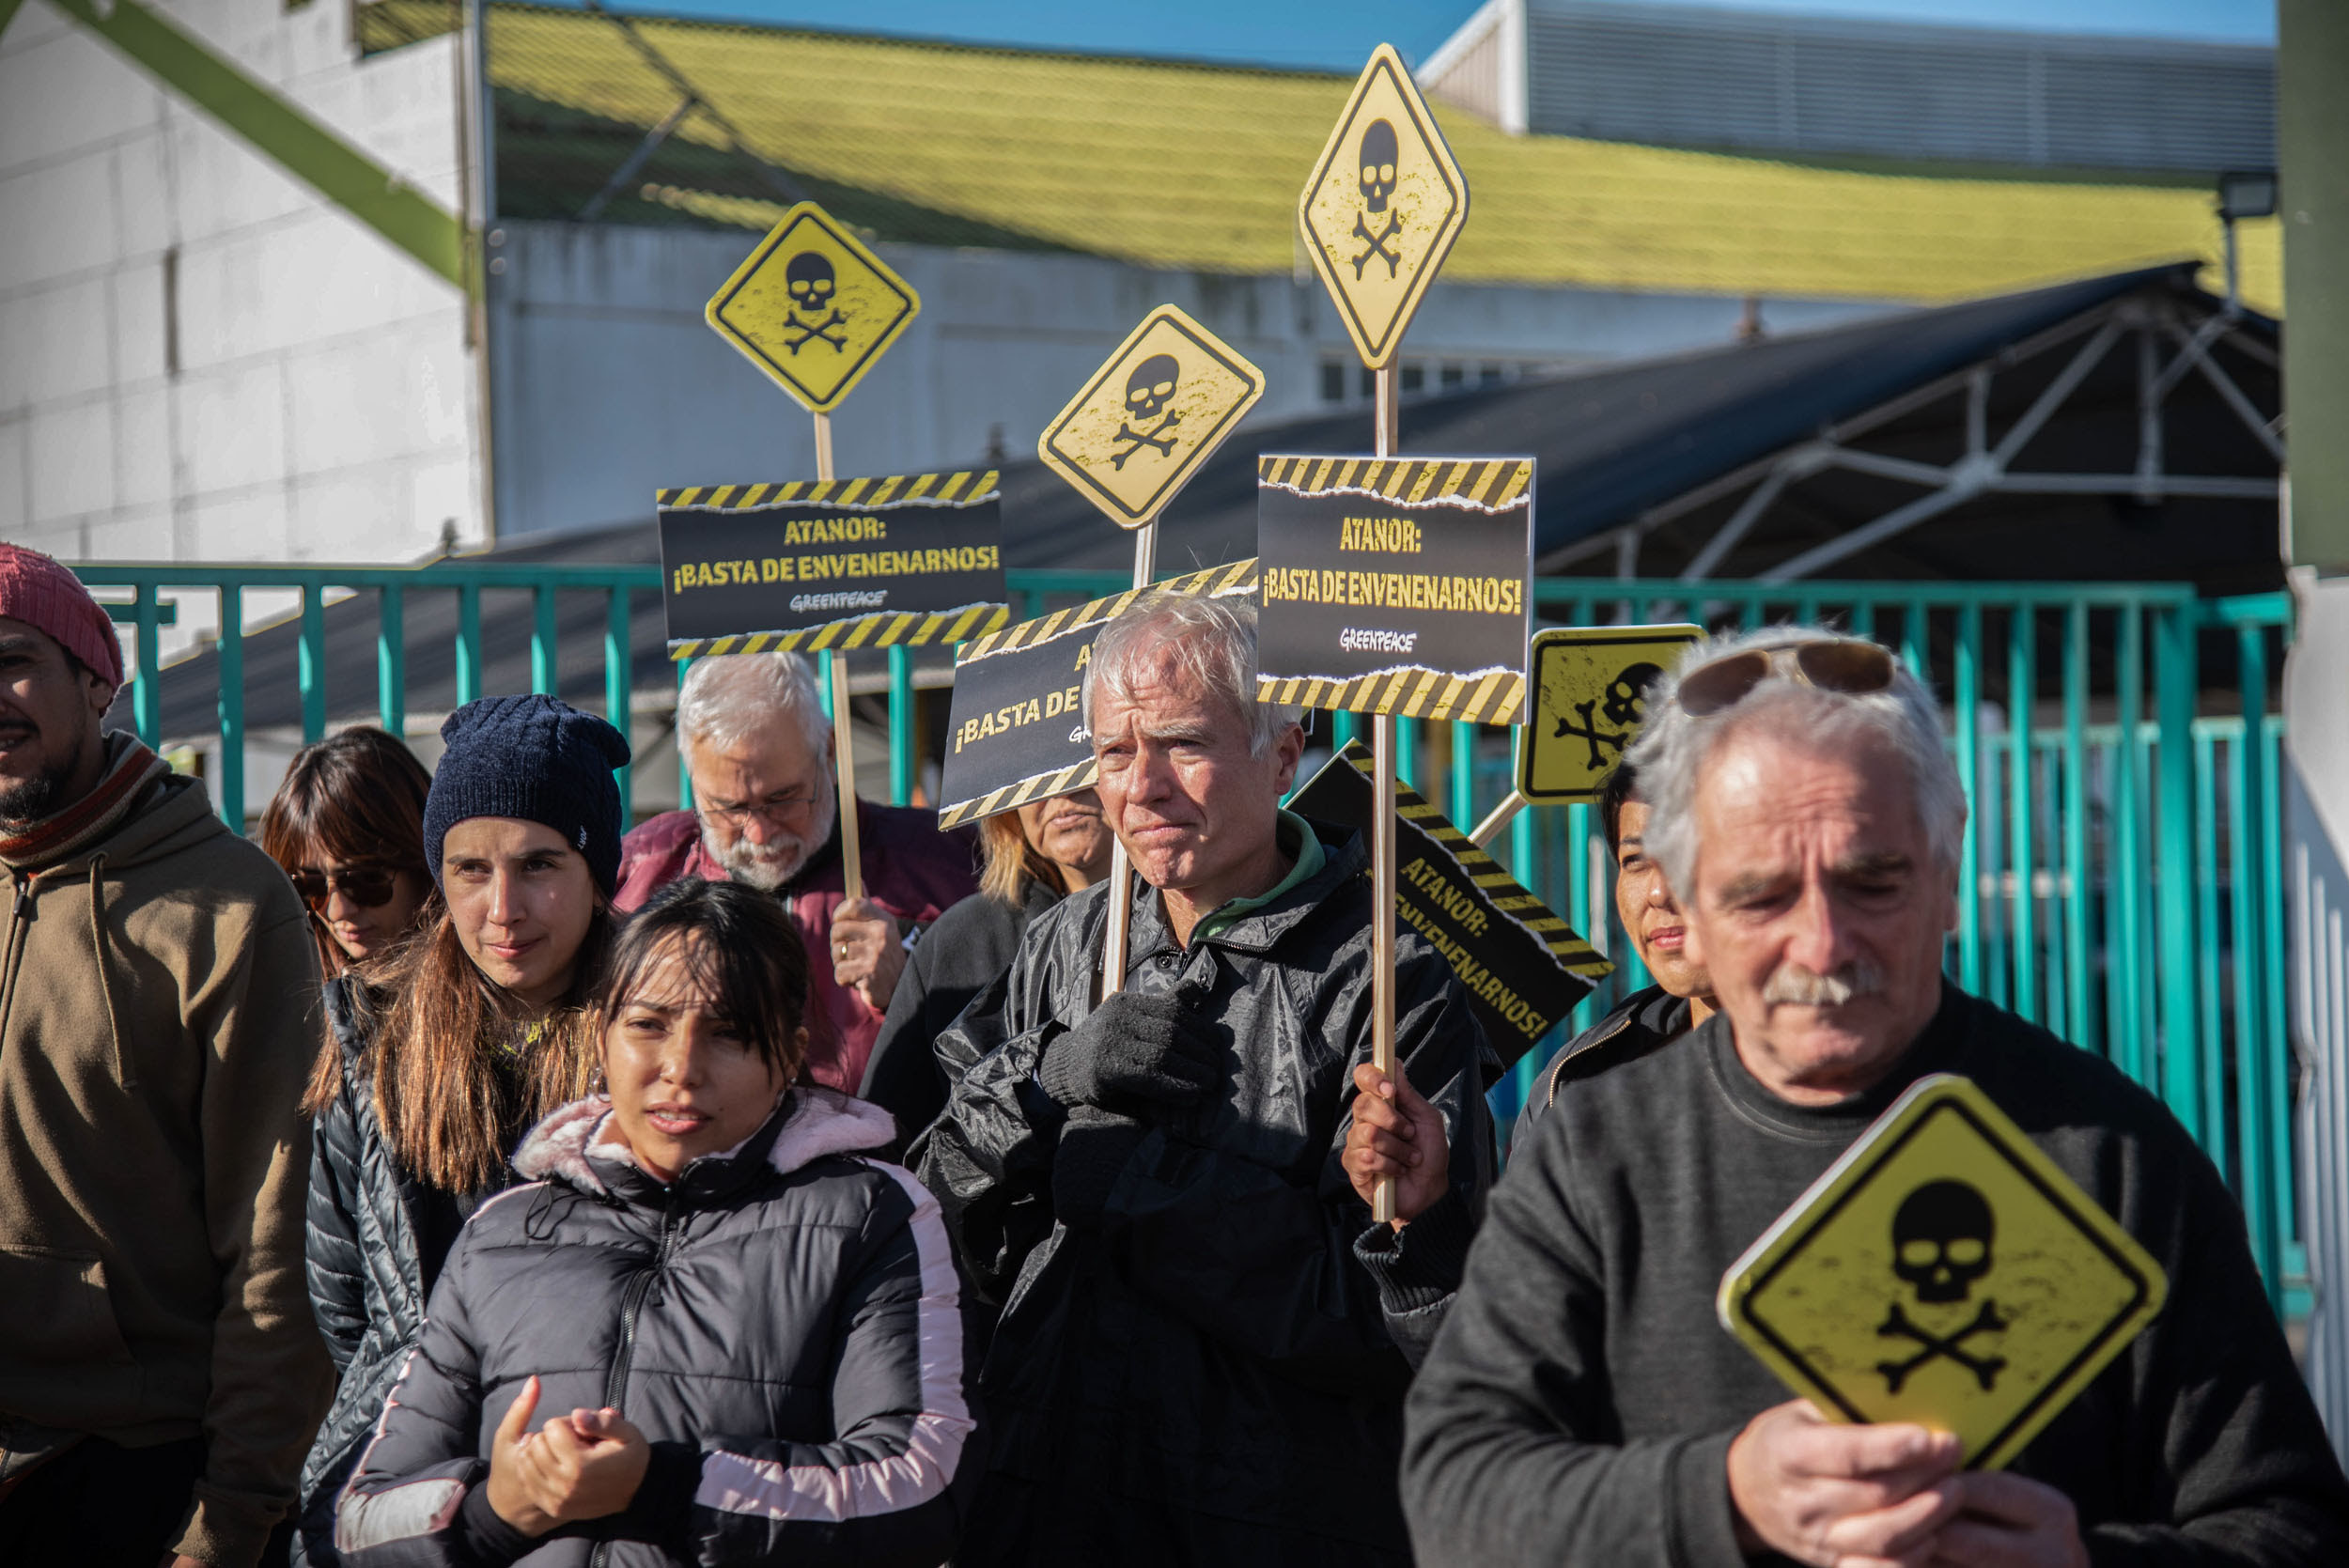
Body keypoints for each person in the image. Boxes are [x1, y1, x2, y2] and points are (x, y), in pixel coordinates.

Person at [1400, 627, 2349, 1566]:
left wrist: (2082, 1564)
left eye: (1871, 882)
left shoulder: (2115, 1159)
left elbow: (2289, 1526)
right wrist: (1724, 1496)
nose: (1821, 942)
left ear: (1948, 868)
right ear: (1688, 900)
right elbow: (1457, 1495)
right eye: (1761, 895)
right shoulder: (1593, 1150)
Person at [916, 591, 1495, 1567]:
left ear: (1281, 754)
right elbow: (936, 1210)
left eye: (1182, 743)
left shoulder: (1386, 981)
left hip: (1266, 1520)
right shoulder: (1065, 943)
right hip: (1045, 1500)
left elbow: (1399, 1321)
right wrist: (1047, 1078)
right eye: (1113, 752)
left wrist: (1144, 1188)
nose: (1141, 787)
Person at [334, 877, 982, 1566]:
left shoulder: (873, 1216)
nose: (681, 1068)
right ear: (601, 1036)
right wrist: (500, 1508)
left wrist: (667, 1485)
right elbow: (360, 1523)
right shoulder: (503, 1232)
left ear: (790, 1055)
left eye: (728, 1033)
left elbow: (923, 1487)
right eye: (647, 1024)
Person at [0, 544, 332, 1567]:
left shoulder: (233, 909)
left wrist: (231, 1517)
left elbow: (277, 1245)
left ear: (98, 682)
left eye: (14, 661)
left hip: (132, 1470)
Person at [298, 695, 630, 1564]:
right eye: (470, 868)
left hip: (602, 1462)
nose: (502, 907)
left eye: (540, 864)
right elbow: (345, 1299)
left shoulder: (659, 1031)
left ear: (600, 872)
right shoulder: (374, 1037)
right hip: (410, 1464)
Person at [1342, 755, 1721, 1365]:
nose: (1658, 890)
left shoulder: (1871, 1081)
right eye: (1635, 860)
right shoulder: (1577, 1088)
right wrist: (1424, 1223)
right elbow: (1507, 1363)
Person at [615, 651, 979, 1093]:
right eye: (728, 807)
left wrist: (914, 990)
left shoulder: (952, 863)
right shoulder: (639, 872)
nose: (760, 832)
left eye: (782, 798)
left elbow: (1010, 1051)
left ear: (829, 752)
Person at [861, 788, 1114, 1147]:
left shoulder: (1184, 920)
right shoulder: (956, 941)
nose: (1061, 789)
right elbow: (890, 1140)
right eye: (1035, 769)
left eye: (1082, 764)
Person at [259, 726, 439, 975]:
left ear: (424, 862)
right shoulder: (292, 986)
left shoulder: (483, 990)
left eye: (364, 881)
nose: (337, 911)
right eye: (309, 887)